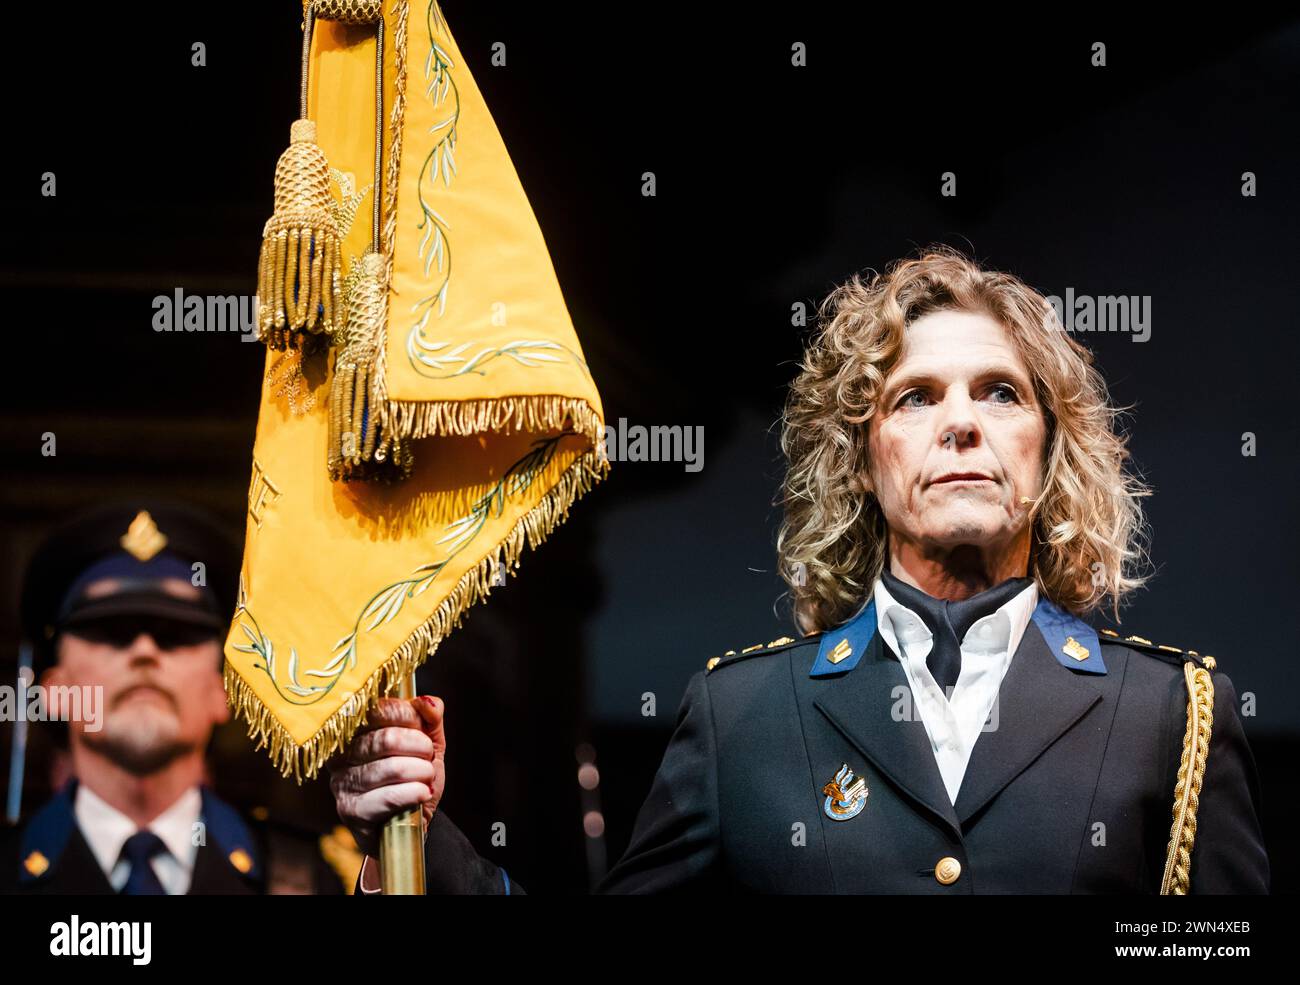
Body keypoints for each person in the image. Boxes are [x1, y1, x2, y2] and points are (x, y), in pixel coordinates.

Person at [330, 247, 1270, 894]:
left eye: (1000, 393)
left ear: (1049, 449)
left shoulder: (1170, 716)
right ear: (862, 462)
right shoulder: (741, 716)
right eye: (915, 397)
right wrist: (418, 839)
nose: (961, 422)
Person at [3, 501, 345, 894]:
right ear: (54, 691)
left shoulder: (310, 876)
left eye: (177, 635)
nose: (145, 651)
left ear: (223, 691)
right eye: (112, 633)